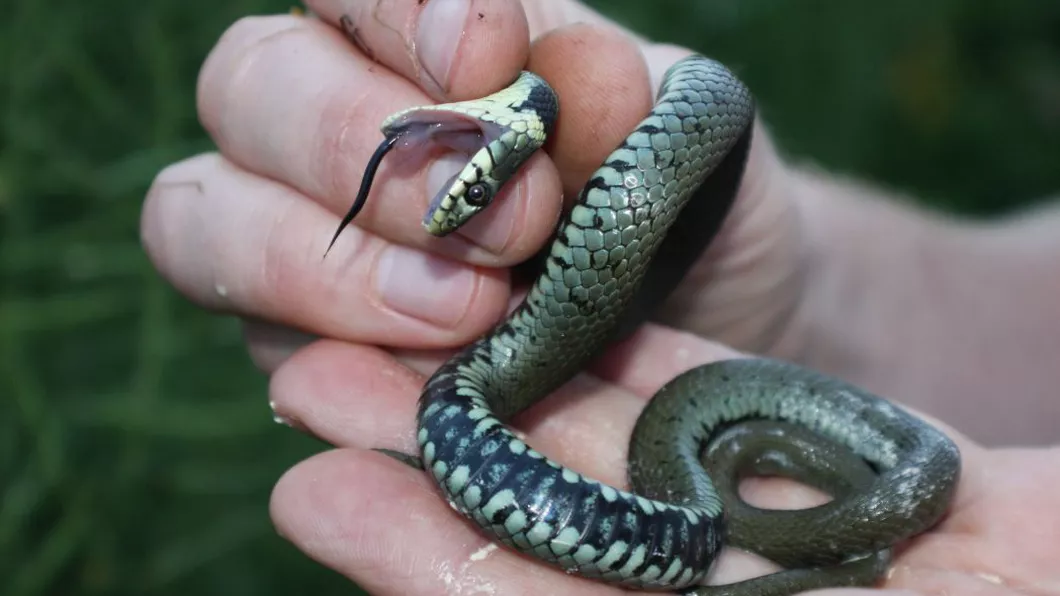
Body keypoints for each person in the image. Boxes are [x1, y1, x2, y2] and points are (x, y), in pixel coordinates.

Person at [140, 1, 1060, 593]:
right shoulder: (550, 115)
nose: (452, 208)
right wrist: (803, 295)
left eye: (465, 189)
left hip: (695, 471)